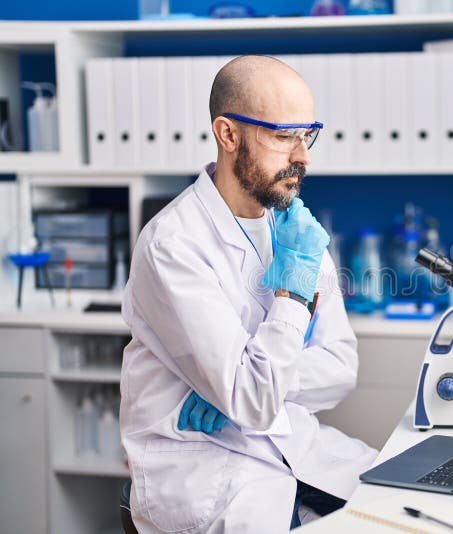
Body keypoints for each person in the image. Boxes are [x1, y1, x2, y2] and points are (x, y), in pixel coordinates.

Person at [120, 55, 377, 533]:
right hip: (207, 474)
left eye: (307, 135)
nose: (303, 156)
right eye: (283, 136)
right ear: (228, 134)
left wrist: (240, 390)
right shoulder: (172, 245)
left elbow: (341, 370)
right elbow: (255, 398)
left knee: (403, 506)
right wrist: (291, 299)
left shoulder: (297, 232)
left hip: (293, 449)